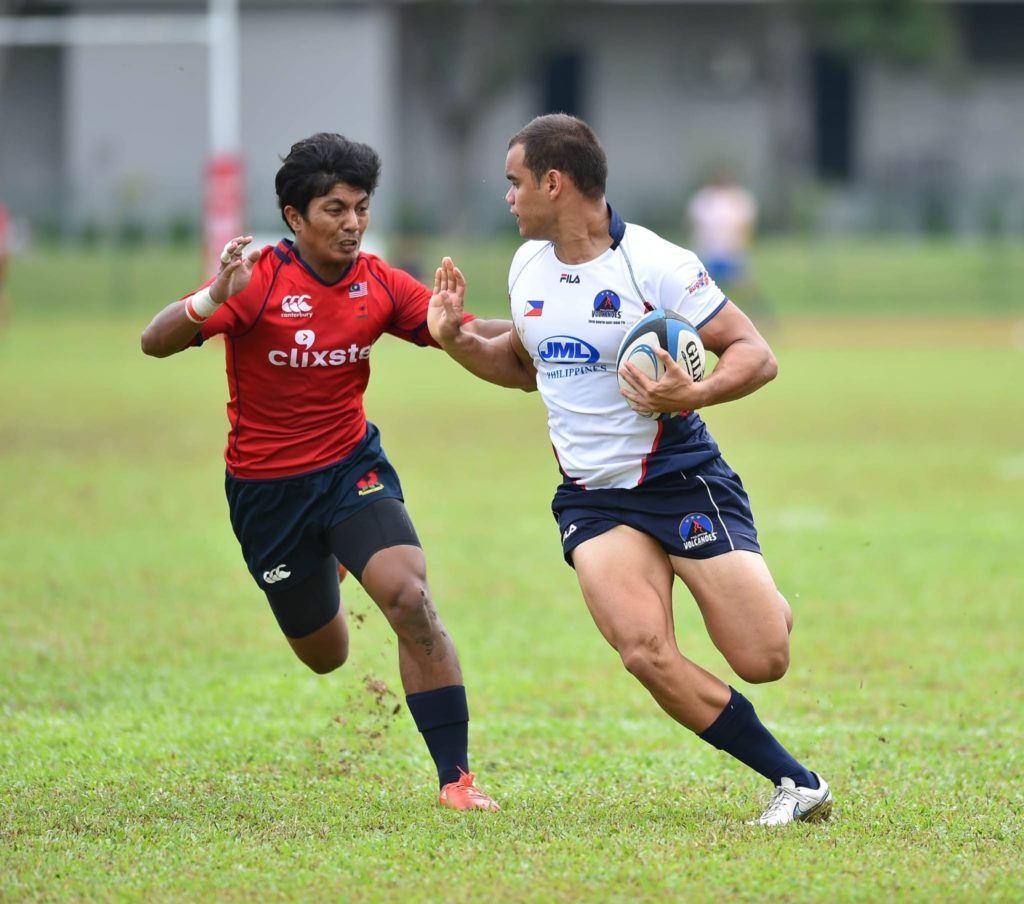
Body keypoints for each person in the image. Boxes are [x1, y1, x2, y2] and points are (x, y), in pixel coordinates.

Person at [428, 113, 833, 826]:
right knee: (645, 652)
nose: (508, 197)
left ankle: (755, 599)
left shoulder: (656, 263)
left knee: (763, 655)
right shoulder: (527, 267)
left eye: (515, 182)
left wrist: (695, 391)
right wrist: (455, 339)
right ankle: (795, 782)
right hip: (591, 499)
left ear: (555, 183)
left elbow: (755, 354)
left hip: (678, 477)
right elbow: (523, 369)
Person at [141, 132, 525, 811]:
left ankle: (456, 781)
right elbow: (156, 340)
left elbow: (459, 328)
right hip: (268, 493)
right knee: (325, 655)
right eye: (334, 210)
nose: (352, 224)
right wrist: (210, 299)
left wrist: (543, 333)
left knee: (410, 598)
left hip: (351, 470)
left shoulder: (374, 281)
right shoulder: (256, 280)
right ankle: (329, 563)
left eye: (361, 208)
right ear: (295, 217)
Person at [687, 166, 772, 324]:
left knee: (745, 288)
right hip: (710, 252)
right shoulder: (705, 199)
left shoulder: (738, 199)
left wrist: (741, 246)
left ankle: (761, 318)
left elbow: (746, 226)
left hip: (731, 252)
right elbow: (696, 225)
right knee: (702, 289)